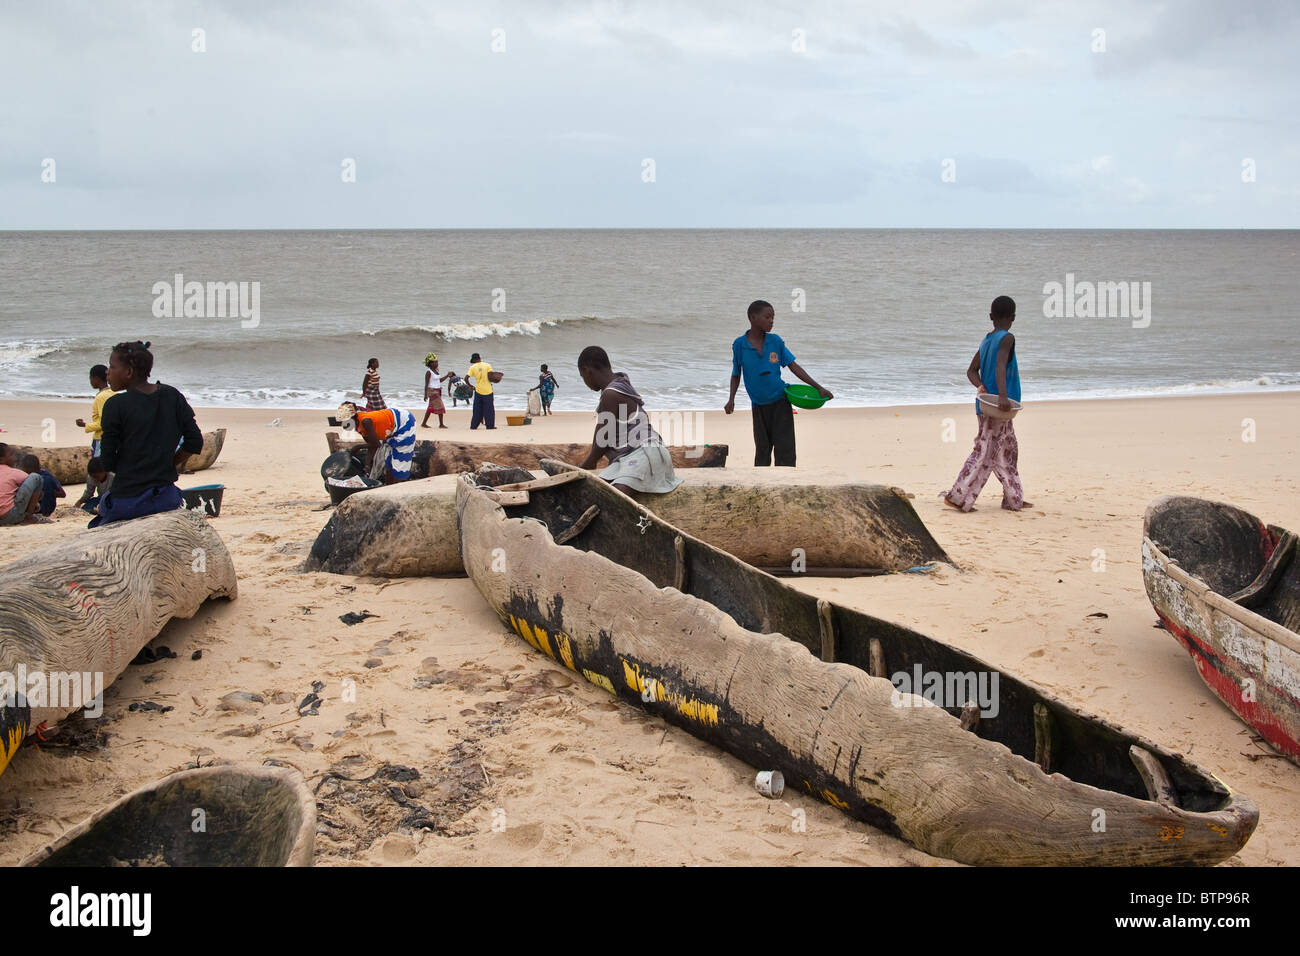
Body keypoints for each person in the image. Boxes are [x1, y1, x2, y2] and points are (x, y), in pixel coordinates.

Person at [91, 340, 204, 528]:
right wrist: (167, 464)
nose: (107, 372)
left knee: (97, 519)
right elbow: (194, 441)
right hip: (165, 497)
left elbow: (108, 461)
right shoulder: (172, 395)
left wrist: (133, 470)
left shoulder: (115, 405)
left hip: (127, 500)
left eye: (112, 367)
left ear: (128, 372)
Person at [943, 295, 1029, 512]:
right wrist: (1002, 396)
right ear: (1013, 318)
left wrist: (980, 386)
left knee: (1008, 450)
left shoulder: (986, 340)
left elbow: (971, 371)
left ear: (991, 316)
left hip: (988, 405)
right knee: (985, 452)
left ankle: (1013, 498)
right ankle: (958, 496)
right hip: (1000, 407)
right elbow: (1000, 366)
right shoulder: (1007, 338)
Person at [725, 299, 831, 466]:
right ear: (753, 318)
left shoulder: (775, 341)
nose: (771, 321)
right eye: (767, 317)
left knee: (785, 451)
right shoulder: (740, 345)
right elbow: (736, 374)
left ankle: (787, 486)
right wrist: (731, 399)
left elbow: (793, 366)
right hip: (758, 406)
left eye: (773, 317)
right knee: (762, 451)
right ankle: (761, 488)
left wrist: (818, 387)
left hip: (780, 402)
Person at [575, 346, 682, 495]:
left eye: (582, 376)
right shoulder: (620, 383)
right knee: (599, 488)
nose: (584, 381)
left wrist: (587, 463)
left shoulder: (610, 394)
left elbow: (603, 437)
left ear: (588, 371)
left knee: (614, 497)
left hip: (646, 454)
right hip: (638, 453)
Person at [336, 401, 416, 484]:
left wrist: (357, 447)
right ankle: (389, 486)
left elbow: (376, 444)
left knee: (400, 459)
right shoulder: (358, 425)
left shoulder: (365, 422)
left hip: (404, 421)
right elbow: (372, 445)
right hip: (390, 426)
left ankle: (396, 487)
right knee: (388, 459)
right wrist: (367, 465)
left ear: (352, 418)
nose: (343, 424)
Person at [74, 364, 114, 457]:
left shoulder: (101, 397)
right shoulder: (112, 393)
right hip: (113, 437)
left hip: (101, 438)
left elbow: (103, 422)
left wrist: (84, 425)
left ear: (95, 378)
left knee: (99, 466)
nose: (90, 381)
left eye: (90, 378)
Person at [0, 443, 44, 526]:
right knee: (36, 477)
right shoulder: (13, 472)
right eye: (11, 455)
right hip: (9, 516)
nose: (14, 458)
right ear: (2, 459)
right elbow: (35, 486)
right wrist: (35, 503)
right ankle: (29, 517)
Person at [466, 352, 499, 430]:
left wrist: (471, 386)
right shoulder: (487, 365)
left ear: (474, 360)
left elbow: (466, 378)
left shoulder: (472, 367)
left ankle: (474, 426)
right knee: (489, 409)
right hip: (488, 390)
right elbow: (491, 376)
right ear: (480, 358)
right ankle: (490, 426)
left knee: (477, 409)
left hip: (478, 390)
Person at [421, 353, 450, 429]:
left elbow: (439, 380)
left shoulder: (436, 371)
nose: (437, 363)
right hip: (432, 391)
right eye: (435, 362)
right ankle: (441, 424)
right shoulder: (428, 372)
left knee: (431, 408)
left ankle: (424, 423)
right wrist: (425, 395)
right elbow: (426, 384)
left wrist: (447, 376)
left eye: (437, 362)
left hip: (438, 390)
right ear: (430, 364)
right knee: (440, 406)